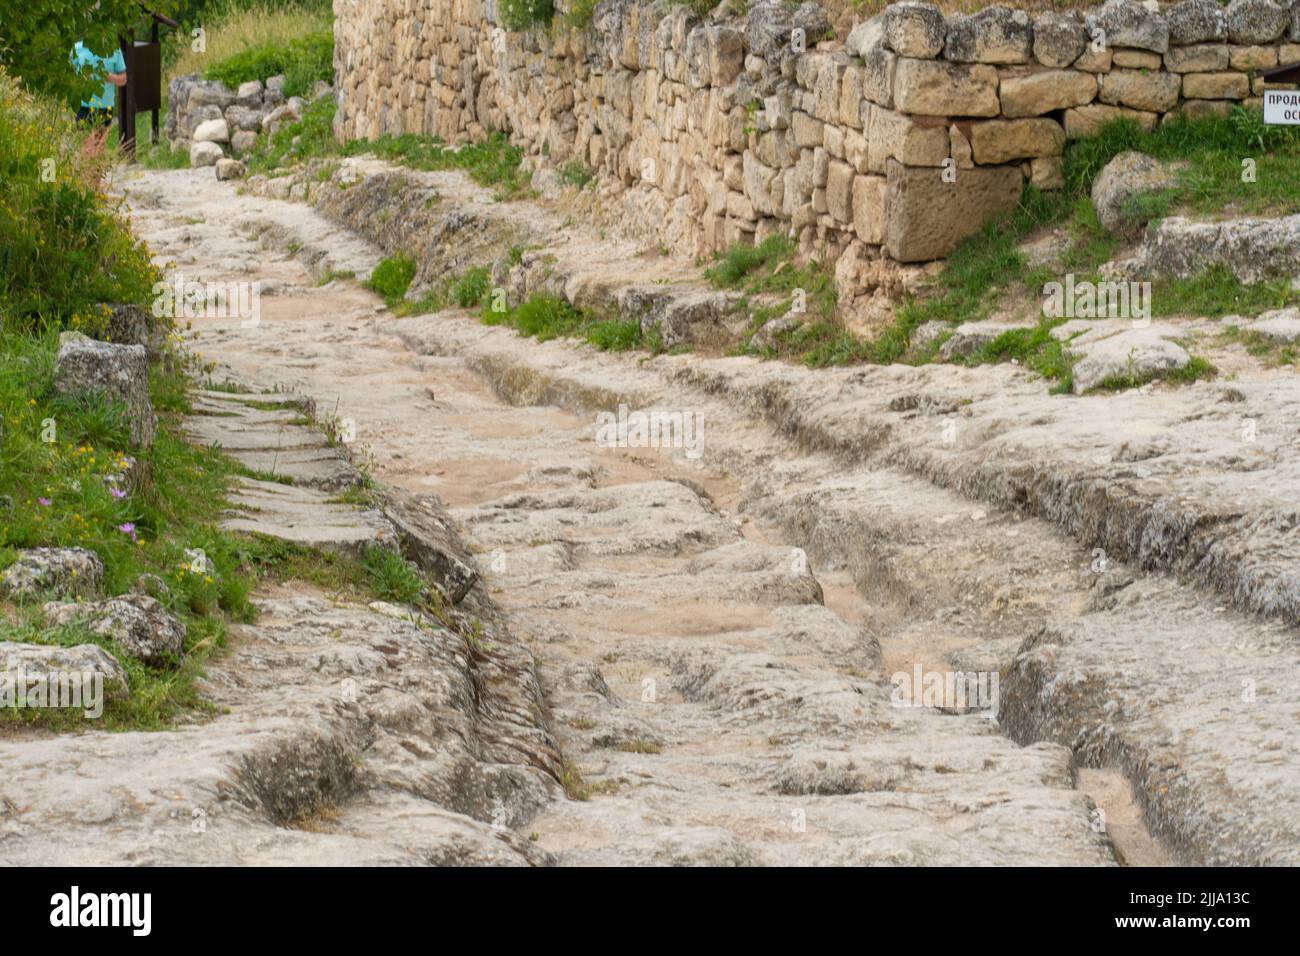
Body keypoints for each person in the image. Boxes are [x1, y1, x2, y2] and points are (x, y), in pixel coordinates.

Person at [71, 39, 126, 145]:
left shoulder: (114, 49)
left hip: (105, 105)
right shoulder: (77, 48)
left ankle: (96, 161)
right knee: (85, 145)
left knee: (99, 146)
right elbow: (69, 76)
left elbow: (123, 79)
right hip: (83, 104)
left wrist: (110, 77)